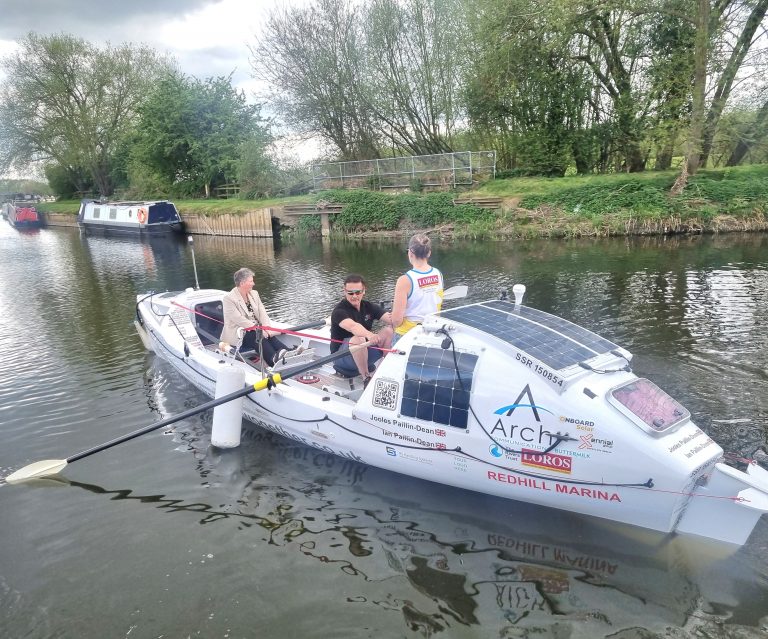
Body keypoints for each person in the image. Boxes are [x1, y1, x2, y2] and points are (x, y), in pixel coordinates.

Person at [330, 274, 394, 382]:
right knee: (358, 338)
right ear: (344, 291)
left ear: (364, 291)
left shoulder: (369, 306)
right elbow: (354, 327)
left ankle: (384, 371)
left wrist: (401, 311)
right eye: (350, 293)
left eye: (358, 292)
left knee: (388, 331)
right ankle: (366, 379)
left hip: (364, 351)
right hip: (342, 357)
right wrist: (370, 335)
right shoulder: (339, 311)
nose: (354, 296)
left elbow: (391, 319)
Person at [221, 267, 289, 366]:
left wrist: (266, 328)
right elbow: (239, 319)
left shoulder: (254, 293)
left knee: (269, 336)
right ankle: (273, 360)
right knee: (256, 335)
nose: (253, 283)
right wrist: (259, 329)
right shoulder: (229, 299)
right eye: (251, 281)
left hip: (257, 329)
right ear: (242, 283)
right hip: (240, 333)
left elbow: (262, 312)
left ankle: (288, 353)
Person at [391, 233, 444, 341]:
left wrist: (392, 318)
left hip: (408, 334)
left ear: (410, 253)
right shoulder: (438, 274)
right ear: (429, 253)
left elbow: (396, 321)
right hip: (432, 330)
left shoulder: (404, 280)